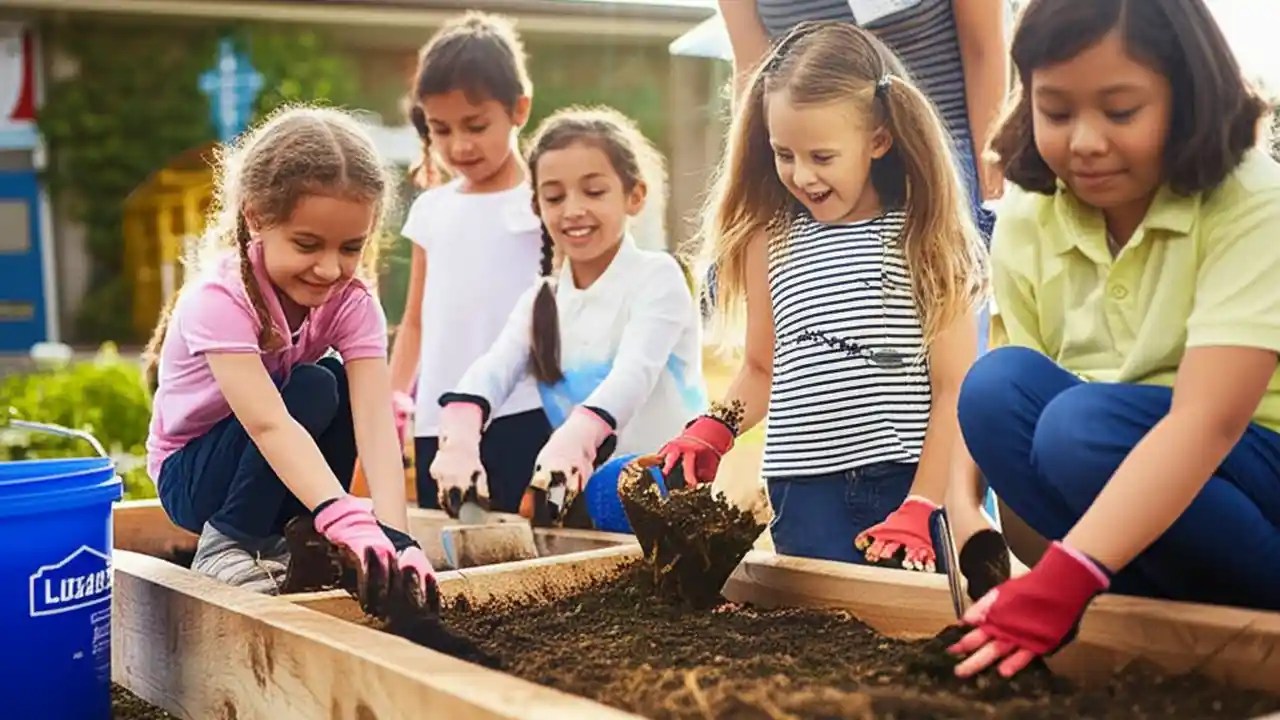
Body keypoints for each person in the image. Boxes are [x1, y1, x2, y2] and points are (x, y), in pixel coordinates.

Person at [948, 0, 1280, 679]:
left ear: (1187, 96)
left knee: (1079, 428)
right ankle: (1144, 605)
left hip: (1255, 475)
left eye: (1121, 111)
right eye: (1056, 111)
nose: (1086, 142)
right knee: (994, 390)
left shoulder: (1252, 201)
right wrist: (960, 506)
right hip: (1116, 481)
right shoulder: (1031, 212)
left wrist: (1065, 576)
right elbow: (1008, 382)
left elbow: (1208, 421)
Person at [659, 22, 987, 572]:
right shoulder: (768, 241)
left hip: (906, 486)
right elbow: (761, 369)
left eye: (822, 156)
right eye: (783, 154)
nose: (801, 175)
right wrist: (716, 427)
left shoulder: (925, 235)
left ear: (878, 140)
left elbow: (955, 388)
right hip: (803, 494)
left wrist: (924, 504)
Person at [143, 106, 432, 598]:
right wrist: (342, 511)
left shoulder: (353, 302)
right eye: (307, 244)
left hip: (276, 470)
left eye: (350, 248)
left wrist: (396, 537)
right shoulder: (221, 297)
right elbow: (268, 424)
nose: (329, 268)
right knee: (314, 385)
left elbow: (375, 423)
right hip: (193, 479)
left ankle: (303, 537)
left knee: (336, 381)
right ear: (256, 216)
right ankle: (226, 544)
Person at [429, 105, 707, 526]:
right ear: (537, 206)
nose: (573, 209)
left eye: (593, 191)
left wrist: (578, 436)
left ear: (634, 196)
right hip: (583, 491)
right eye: (555, 197)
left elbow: (634, 373)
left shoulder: (658, 276)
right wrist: (460, 429)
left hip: (666, 487)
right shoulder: (542, 300)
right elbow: (492, 369)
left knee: (608, 487)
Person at [387, 11, 551, 512]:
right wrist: (391, 403)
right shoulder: (431, 208)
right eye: (441, 129)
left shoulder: (544, 201)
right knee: (444, 546)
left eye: (476, 126)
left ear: (519, 108)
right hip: (439, 418)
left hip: (525, 410)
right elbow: (415, 320)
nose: (459, 145)